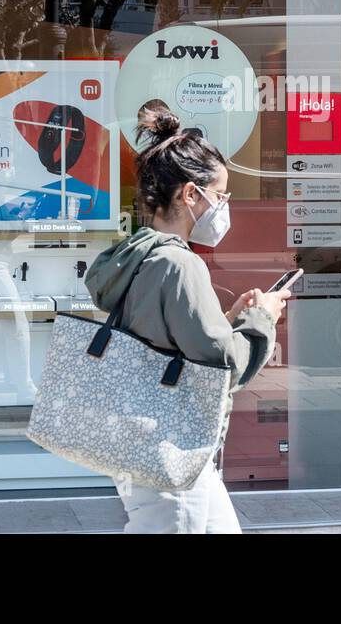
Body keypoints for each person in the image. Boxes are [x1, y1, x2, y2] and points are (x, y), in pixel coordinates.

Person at [83, 107, 288, 534]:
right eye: (221, 195)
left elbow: (166, 339)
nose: (225, 206)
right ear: (191, 194)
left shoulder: (140, 253)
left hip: (147, 439)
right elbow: (223, 365)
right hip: (171, 447)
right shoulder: (179, 263)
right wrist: (261, 318)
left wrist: (226, 318)